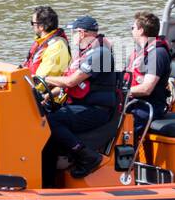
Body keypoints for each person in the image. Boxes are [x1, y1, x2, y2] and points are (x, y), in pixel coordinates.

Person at [43, 15, 119, 178]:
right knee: (46, 114)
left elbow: (71, 81)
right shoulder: (87, 53)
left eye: (74, 33)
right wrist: (47, 95)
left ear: (82, 33)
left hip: (97, 110)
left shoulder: (100, 54)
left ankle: (87, 156)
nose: (73, 37)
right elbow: (70, 85)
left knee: (52, 121)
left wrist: (44, 78)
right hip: (83, 105)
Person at [125, 11, 172, 141]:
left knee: (124, 130)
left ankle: (124, 160)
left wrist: (122, 92)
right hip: (132, 101)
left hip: (148, 105)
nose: (132, 30)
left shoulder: (157, 54)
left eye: (133, 27)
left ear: (140, 30)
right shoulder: (140, 51)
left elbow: (146, 89)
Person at [25, 5, 70, 78]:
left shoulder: (56, 47)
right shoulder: (42, 42)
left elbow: (42, 80)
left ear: (41, 26)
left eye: (32, 23)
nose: (32, 26)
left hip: (43, 88)